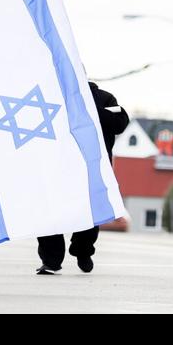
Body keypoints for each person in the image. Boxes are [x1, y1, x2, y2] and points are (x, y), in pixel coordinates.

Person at [36, 82, 130, 274]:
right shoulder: (51, 96)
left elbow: (119, 124)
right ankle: (51, 261)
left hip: (92, 167)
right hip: (57, 167)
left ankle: (83, 251)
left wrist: (87, 107)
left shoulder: (105, 98)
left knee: (90, 213)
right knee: (49, 213)